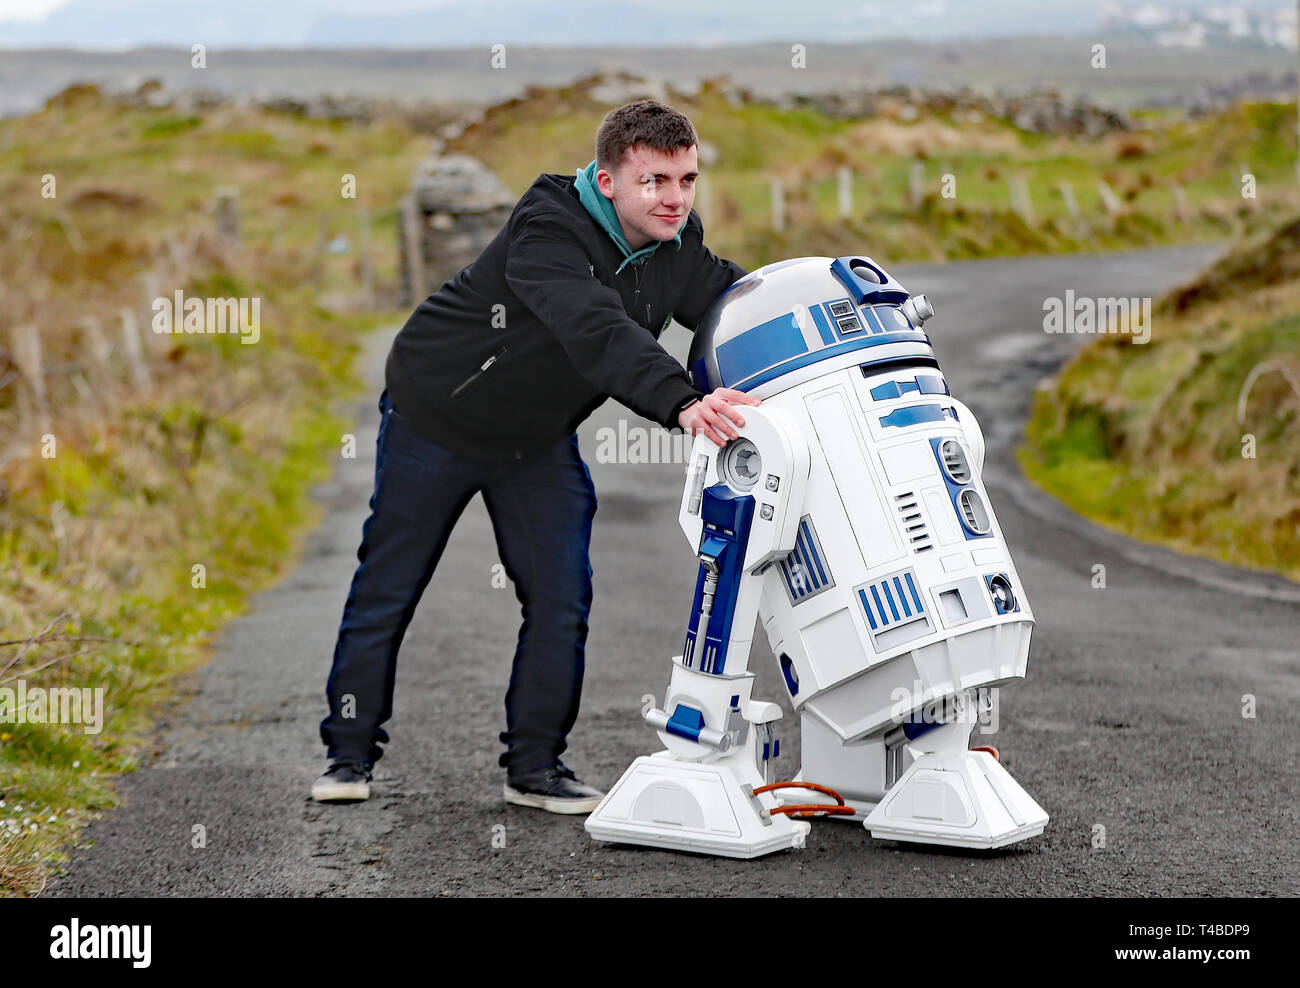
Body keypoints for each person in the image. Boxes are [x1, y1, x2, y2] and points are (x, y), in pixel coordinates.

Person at [313, 98, 759, 813]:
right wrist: (680, 400)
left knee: (561, 597)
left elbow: (731, 301)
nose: (674, 199)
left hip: (534, 442)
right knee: (388, 588)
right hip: (436, 418)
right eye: (655, 182)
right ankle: (347, 757)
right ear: (609, 181)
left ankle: (535, 768)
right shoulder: (548, 227)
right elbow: (595, 327)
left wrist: (817, 317)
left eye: (686, 180)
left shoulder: (676, 241)